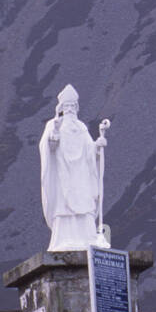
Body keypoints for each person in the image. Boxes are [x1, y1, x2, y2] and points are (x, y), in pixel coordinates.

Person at [39, 84, 108, 251]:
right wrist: (54, 134)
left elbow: (88, 149)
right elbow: (49, 147)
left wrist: (97, 147)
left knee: (84, 203)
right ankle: (65, 239)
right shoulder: (54, 125)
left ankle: (87, 237)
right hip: (63, 173)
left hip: (81, 174)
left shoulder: (81, 127)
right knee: (64, 205)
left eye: (72, 106)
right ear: (62, 108)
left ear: (76, 108)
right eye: (67, 106)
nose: (70, 109)